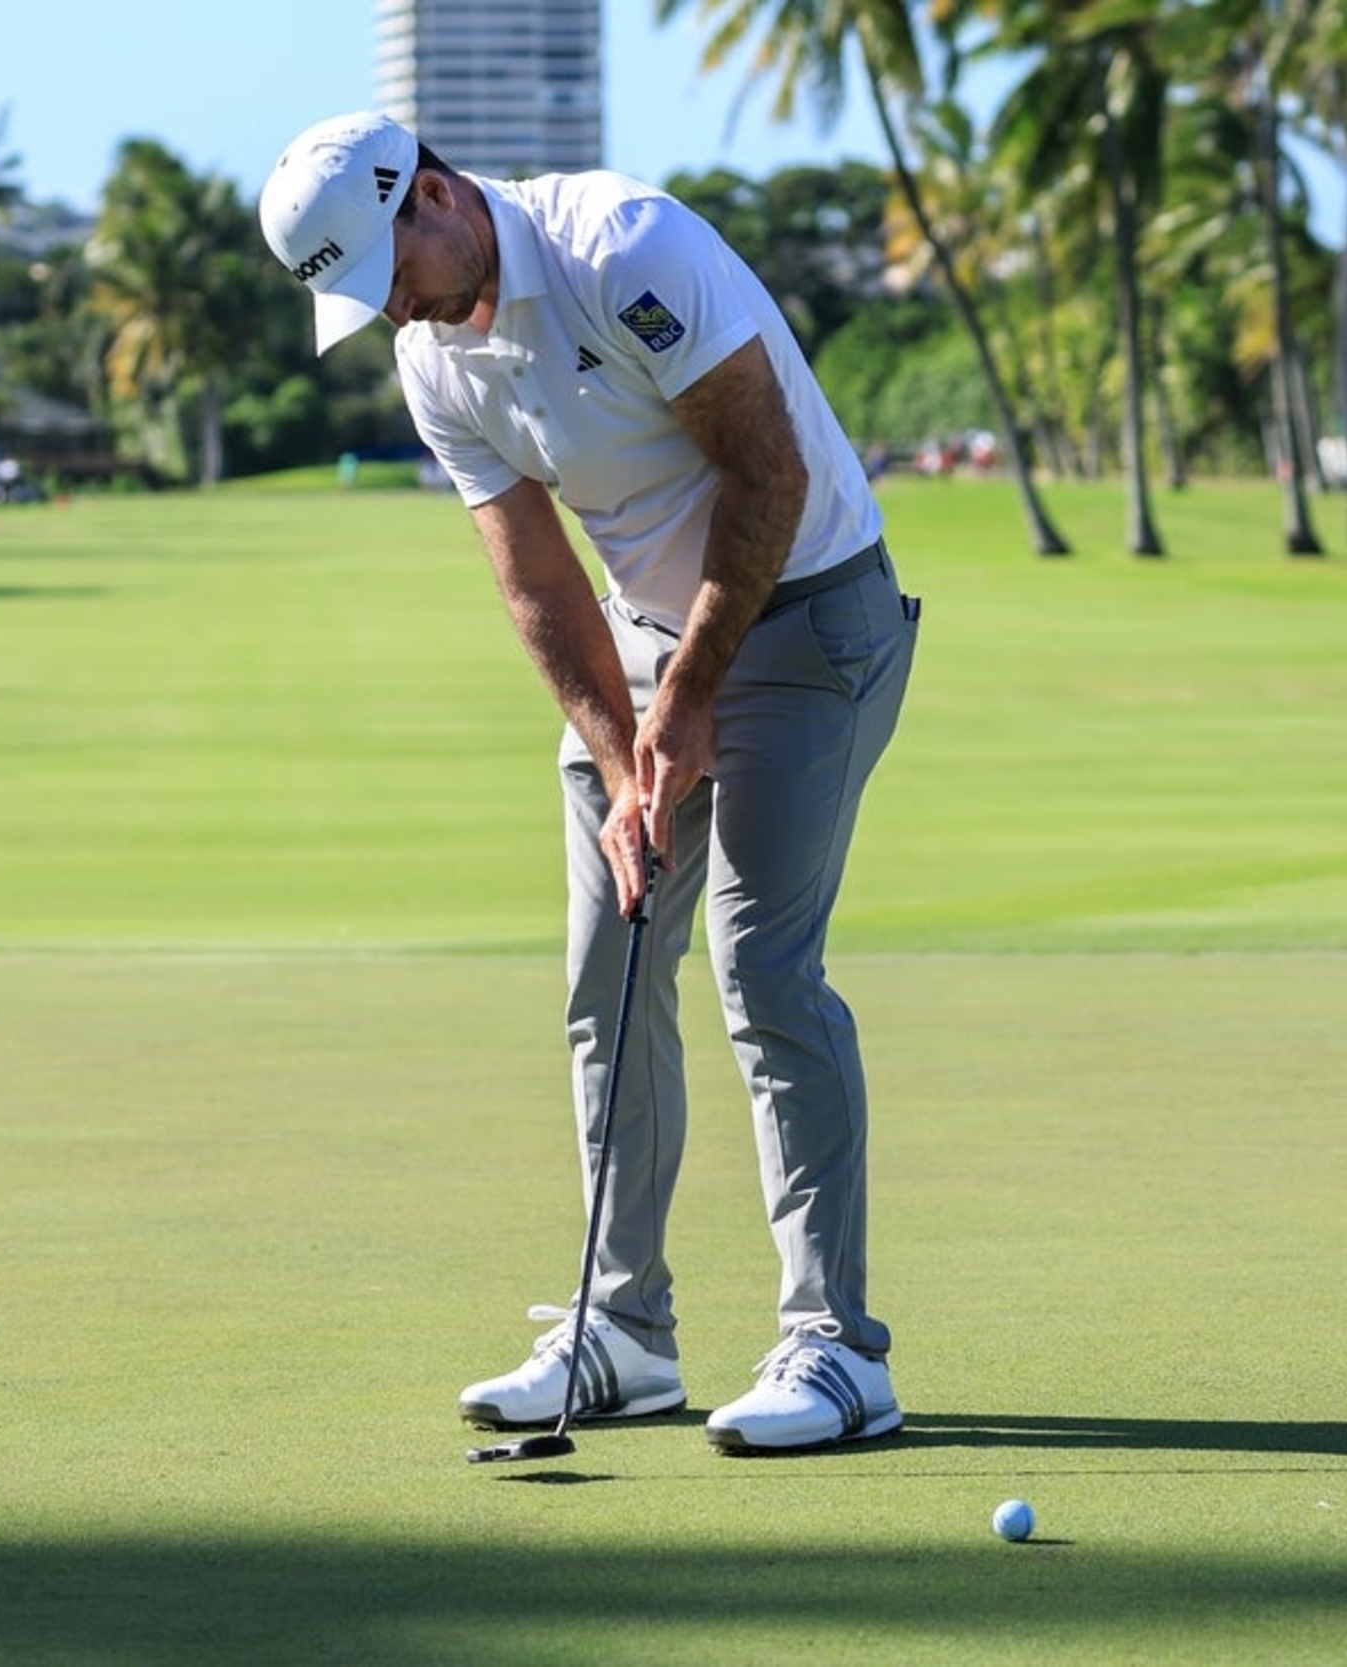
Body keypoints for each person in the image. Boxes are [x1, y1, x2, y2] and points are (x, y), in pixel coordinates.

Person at [259, 112, 920, 1454]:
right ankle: (625, 1333)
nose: (388, 305)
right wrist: (629, 760)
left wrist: (686, 707)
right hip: (644, 631)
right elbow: (536, 576)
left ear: (433, 194)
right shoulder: (433, 360)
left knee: (761, 969)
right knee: (605, 974)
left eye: (386, 269)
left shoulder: (623, 248)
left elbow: (769, 472)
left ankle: (838, 1350)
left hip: (809, 607)